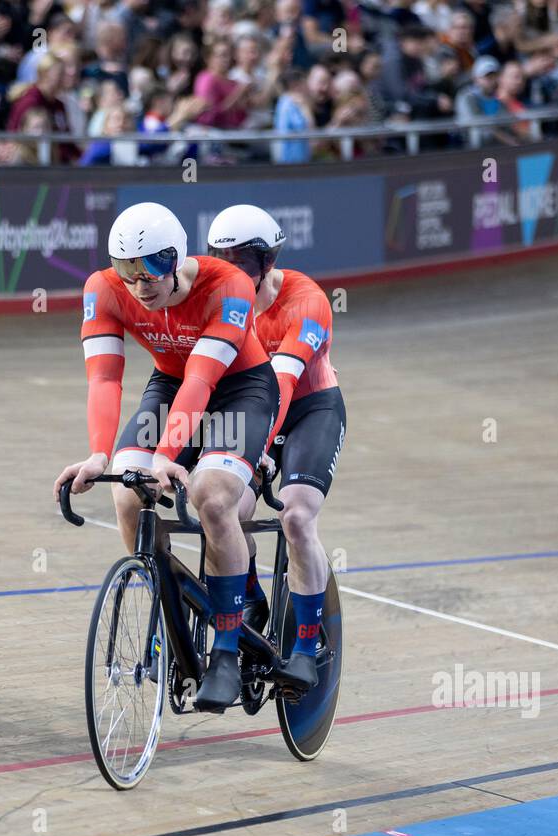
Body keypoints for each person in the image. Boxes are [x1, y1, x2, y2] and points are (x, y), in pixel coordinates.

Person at [53, 202, 288, 712]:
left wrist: (165, 455)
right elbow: (106, 378)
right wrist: (99, 454)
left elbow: (204, 380)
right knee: (125, 489)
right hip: (171, 384)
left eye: (153, 267)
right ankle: (169, 613)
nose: (140, 285)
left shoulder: (229, 286)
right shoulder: (102, 290)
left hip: (239, 389)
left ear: (177, 255)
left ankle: (226, 648)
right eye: (127, 271)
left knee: (212, 496)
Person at [207, 205, 342, 690]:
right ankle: (249, 596)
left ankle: (307, 644)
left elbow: (284, 381)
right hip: (252, 412)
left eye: (241, 261)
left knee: (296, 517)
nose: (230, 272)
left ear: (267, 262)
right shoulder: (219, 299)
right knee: (222, 506)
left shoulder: (307, 301)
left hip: (309, 411)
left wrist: (261, 448)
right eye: (221, 261)